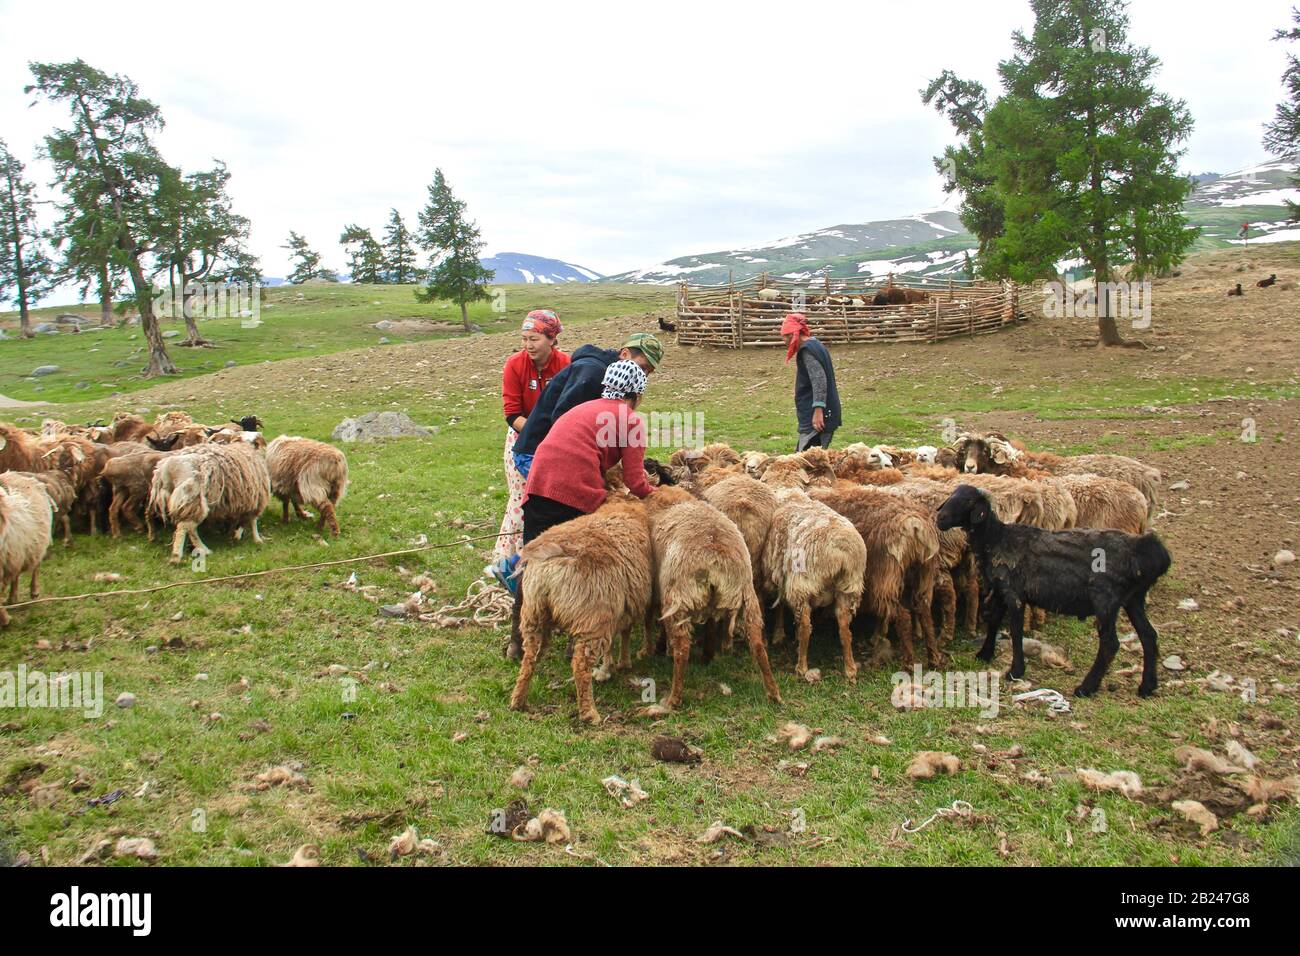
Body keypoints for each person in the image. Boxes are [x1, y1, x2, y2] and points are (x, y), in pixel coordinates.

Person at [490, 359, 657, 659]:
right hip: (577, 494)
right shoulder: (630, 420)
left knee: (533, 561)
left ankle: (519, 643)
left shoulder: (582, 408)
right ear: (637, 394)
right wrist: (659, 495)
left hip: (539, 487)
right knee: (582, 568)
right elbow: (635, 480)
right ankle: (576, 644)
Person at [510, 332, 663, 480]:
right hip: (536, 451)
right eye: (642, 367)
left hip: (555, 452)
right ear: (624, 354)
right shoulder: (591, 372)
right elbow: (562, 419)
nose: (643, 375)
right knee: (569, 500)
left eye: (648, 372)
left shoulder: (611, 381)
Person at [494, 309, 569, 562]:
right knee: (521, 497)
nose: (527, 345)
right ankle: (507, 560)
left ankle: (545, 556)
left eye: (534, 339)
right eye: (524, 339)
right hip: (522, 438)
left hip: (557, 440)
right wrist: (538, 433)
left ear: (551, 339)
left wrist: (553, 438)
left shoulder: (566, 366)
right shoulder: (515, 364)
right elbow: (511, 413)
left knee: (549, 496)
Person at [781, 312, 841, 451]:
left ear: (793, 334)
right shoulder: (815, 345)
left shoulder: (807, 350)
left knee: (807, 462)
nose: (784, 340)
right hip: (821, 412)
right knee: (810, 460)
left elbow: (819, 381)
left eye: (785, 336)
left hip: (817, 416)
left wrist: (818, 410)